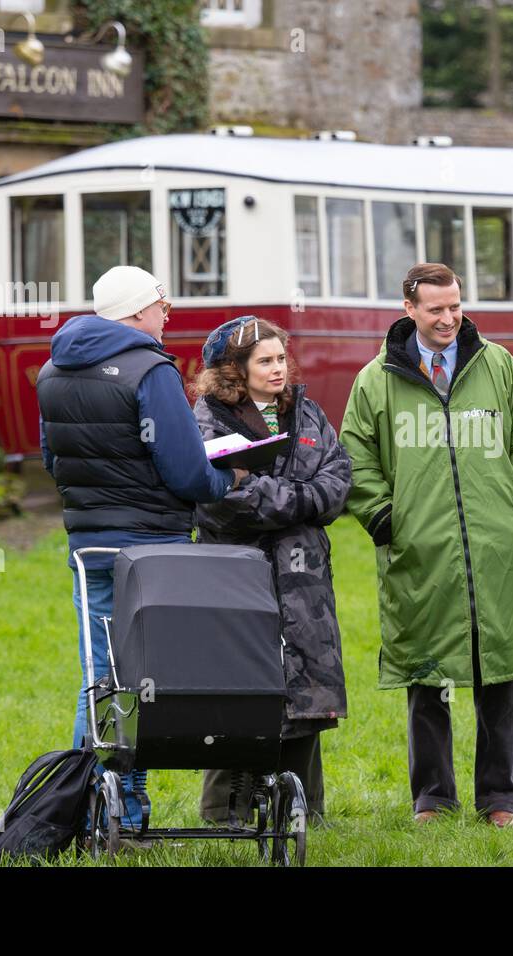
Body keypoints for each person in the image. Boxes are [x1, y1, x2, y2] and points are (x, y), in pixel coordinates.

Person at [339, 262, 513, 828]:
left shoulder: (498, 365)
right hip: (419, 553)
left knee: (499, 673)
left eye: (455, 306)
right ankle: (433, 797)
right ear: (408, 309)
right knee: (427, 675)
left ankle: (501, 799)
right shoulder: (375, 380)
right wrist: (383, 518)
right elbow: (355, 456)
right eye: (435, 309)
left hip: (494, 547)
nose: (448, 318)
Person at [37, 265, 232, 832]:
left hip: (88, 545)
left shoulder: (52, 369)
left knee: (101, 676)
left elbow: (53, 458)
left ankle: (90, 811)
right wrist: (229, 479)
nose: (167, 313)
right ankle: (126, 804)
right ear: (138, 310)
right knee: (147, 676)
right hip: (153, 548)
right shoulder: (151, 370)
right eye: (161, 303)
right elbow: (187, 471)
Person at [191, 315, 351, 825]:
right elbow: (227, 496)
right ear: (235, 368)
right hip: (239, 573)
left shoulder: (307, 411)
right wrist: (303, 500)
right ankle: (226, 812)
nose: (279, 368)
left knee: (304, 691)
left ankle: (303, 810)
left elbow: (339, 476)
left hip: (304, 578)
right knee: (240, 688)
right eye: (266, 360)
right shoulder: (208, 418)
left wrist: (295, 499)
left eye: (282, 358)